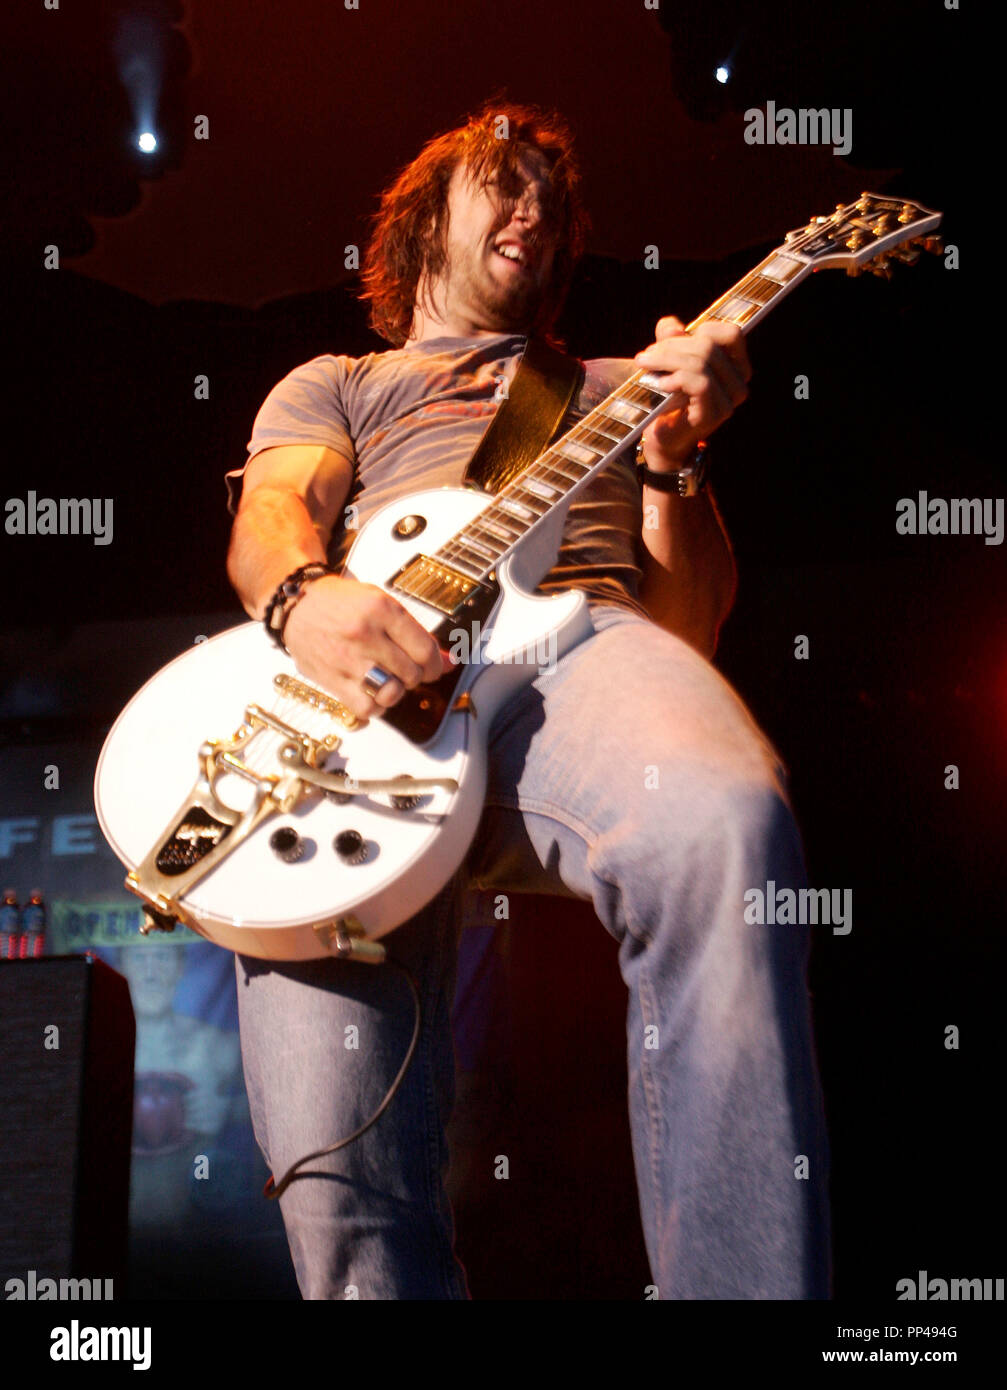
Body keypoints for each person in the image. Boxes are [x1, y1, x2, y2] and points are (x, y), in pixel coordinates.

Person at [223, 102, 831, 1300]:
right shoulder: (338, 382)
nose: (534, 209)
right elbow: (275, 511)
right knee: (342, 1191)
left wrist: (674, 459)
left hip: (571, 659)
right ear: (420, 222)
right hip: (360, 705)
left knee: (717, 823)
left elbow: (685, 627)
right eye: (504, 182)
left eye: (551, 200)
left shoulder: (613, 386)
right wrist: (303, 596)